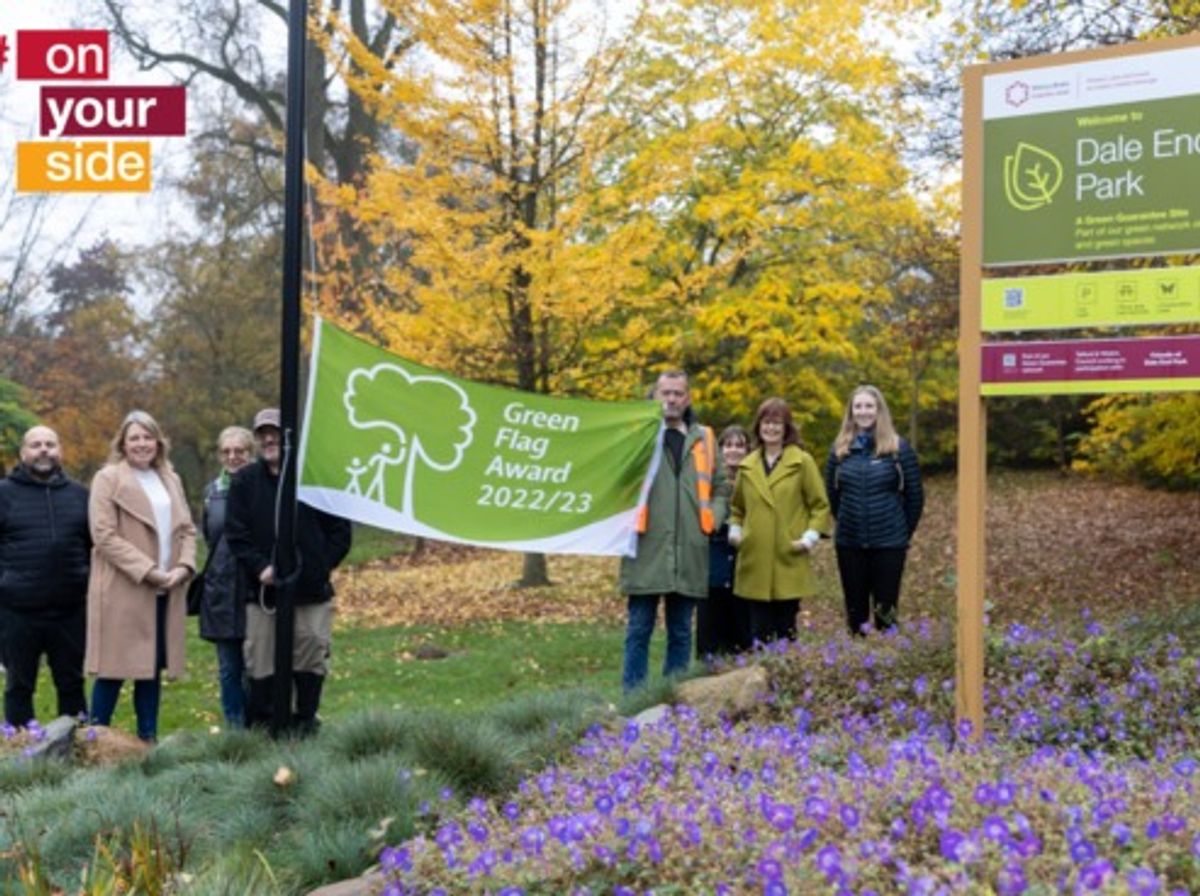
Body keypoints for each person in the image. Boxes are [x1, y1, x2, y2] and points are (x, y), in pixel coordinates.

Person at [225, 408, 352, 734]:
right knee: (261, 659)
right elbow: (237, 535)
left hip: (310, 592)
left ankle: (304, 722)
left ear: (289, 436)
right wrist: (261, 567)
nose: (269, 439)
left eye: (275, 432)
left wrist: (316, 567)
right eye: (263, 434)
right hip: (263, 592)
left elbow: (340, 533)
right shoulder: (244, 482)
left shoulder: (316, 478)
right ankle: (266, 728)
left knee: (310, 653)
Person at [86, 411, 196, 742]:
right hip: (125, 588)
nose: (142, 444)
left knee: (150, 670)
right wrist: (149, 572)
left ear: (158, 442)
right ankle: (94, 741)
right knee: (113, 670)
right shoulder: (107, 479)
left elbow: (187, 529)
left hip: (167, 588)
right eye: (134, 438)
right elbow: (104, 536)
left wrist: (184, 566)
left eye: (148, 437)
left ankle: (148, 742)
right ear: (123, 443)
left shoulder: (170, 478)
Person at [620, 370, 725, 693]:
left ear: (688, 398)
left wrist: (713, 519)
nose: (671, 399)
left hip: (690, 548)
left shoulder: (705, 438)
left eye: (678, 393)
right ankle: (633, 700)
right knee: (639, 629)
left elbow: (721, 486)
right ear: (654, 396)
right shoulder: (638, 434)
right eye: (665, 392)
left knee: (681, 632)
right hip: (646, 546)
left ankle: (673, 700)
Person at [0, 425, 91, 727]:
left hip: (70, 610)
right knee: (19, 685)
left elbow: (93, 546)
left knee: (72, 683)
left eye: (50, 444)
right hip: (18, 610)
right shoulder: (4, 494)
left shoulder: (80, 495)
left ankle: (76, 743)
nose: (43, 450)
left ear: (59, 450)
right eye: (36, 444)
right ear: (23, 453)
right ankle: (19, 745)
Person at [728, 398, 831, 646]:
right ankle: (760, 671)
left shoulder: (802, 462)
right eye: (766, 422)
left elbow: (820, 506)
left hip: (788, 557)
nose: (771, 428)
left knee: (786, 631)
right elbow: (737, 508)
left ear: (786, 428)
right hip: (754, 559)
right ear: (758, 426)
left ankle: (786, 672)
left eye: (777, 423)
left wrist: (808, 539)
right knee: (758, 632)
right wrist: (736, 531)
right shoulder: (747, 465)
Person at [824, 385, 924, 636]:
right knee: (856, 616)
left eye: (869, 406)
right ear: (851, 411)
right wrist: (848, 522)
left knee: (886, 614)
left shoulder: (899, 449)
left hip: (889, 544)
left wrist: (901, 532)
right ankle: (856, 657)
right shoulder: (839, 450)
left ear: (879, 410)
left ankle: (888, 656)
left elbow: (915, 497)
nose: (863, 411)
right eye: (858, 406)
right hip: (850, 543)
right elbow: (833, 495)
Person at [197, 426, 255, 728]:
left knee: (256, 666)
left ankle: (261, 725)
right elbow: (210, 538)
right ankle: (236, 730)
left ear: (250, 453)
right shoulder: (212, 493)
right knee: (228, 668)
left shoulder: (262, 487)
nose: (233, 457)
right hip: (220, 590)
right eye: (227, 451)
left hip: (254, 589)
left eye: (239, 451)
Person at [695, 424, 749, 662]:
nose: (734, 450)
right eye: (728, 445)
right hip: (712, 555)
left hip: (743, 557)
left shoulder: (753, 480)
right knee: (710, 618)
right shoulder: (708, 480)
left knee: (740, 620)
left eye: (740, 445)